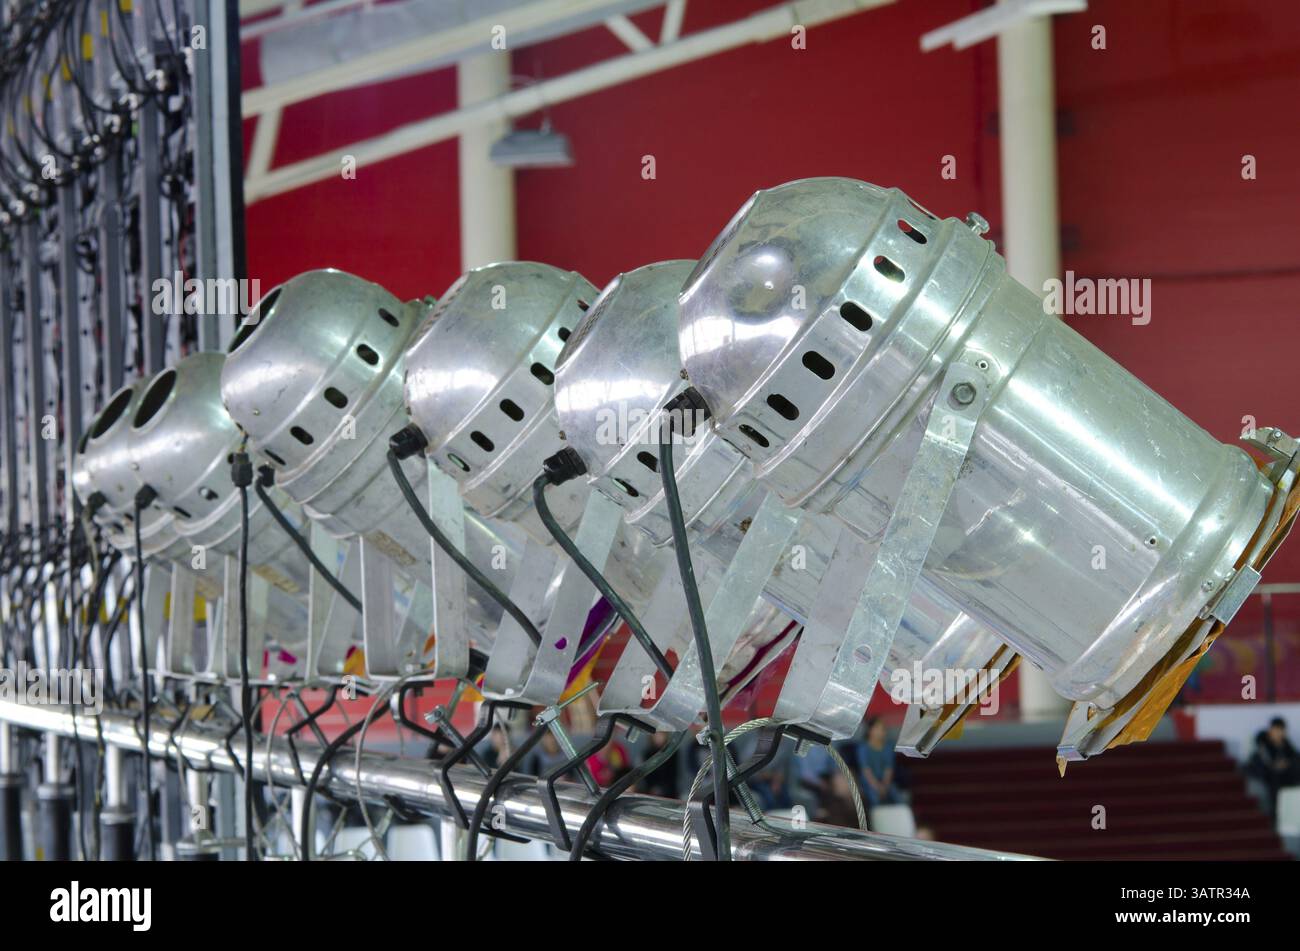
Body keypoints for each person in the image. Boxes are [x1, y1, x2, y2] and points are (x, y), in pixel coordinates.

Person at [1246, 717, 1300, 813]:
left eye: (1281, 731)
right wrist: (1275, 766)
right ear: (1271, 730)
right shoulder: (1263, 743)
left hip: (1285, 774)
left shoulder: (1285, 743)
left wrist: (1286, 763)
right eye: (1277, 730)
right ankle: (1275, 812)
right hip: (1268, 775)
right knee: (1276, 779)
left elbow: (1294, 757)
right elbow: (1263, 762)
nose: (1279, 733)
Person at [857, 717, 904, 807]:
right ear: (870, 730)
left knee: (899, 799)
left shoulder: (888, 747)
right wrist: (877, 786)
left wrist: (885, 785)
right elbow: (866, 770)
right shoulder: (863, 748)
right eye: (878, 728)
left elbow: (889, 768)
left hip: (886, 782)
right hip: (869, 783)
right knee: (874, 799)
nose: (882, 731)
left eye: (883, 728)